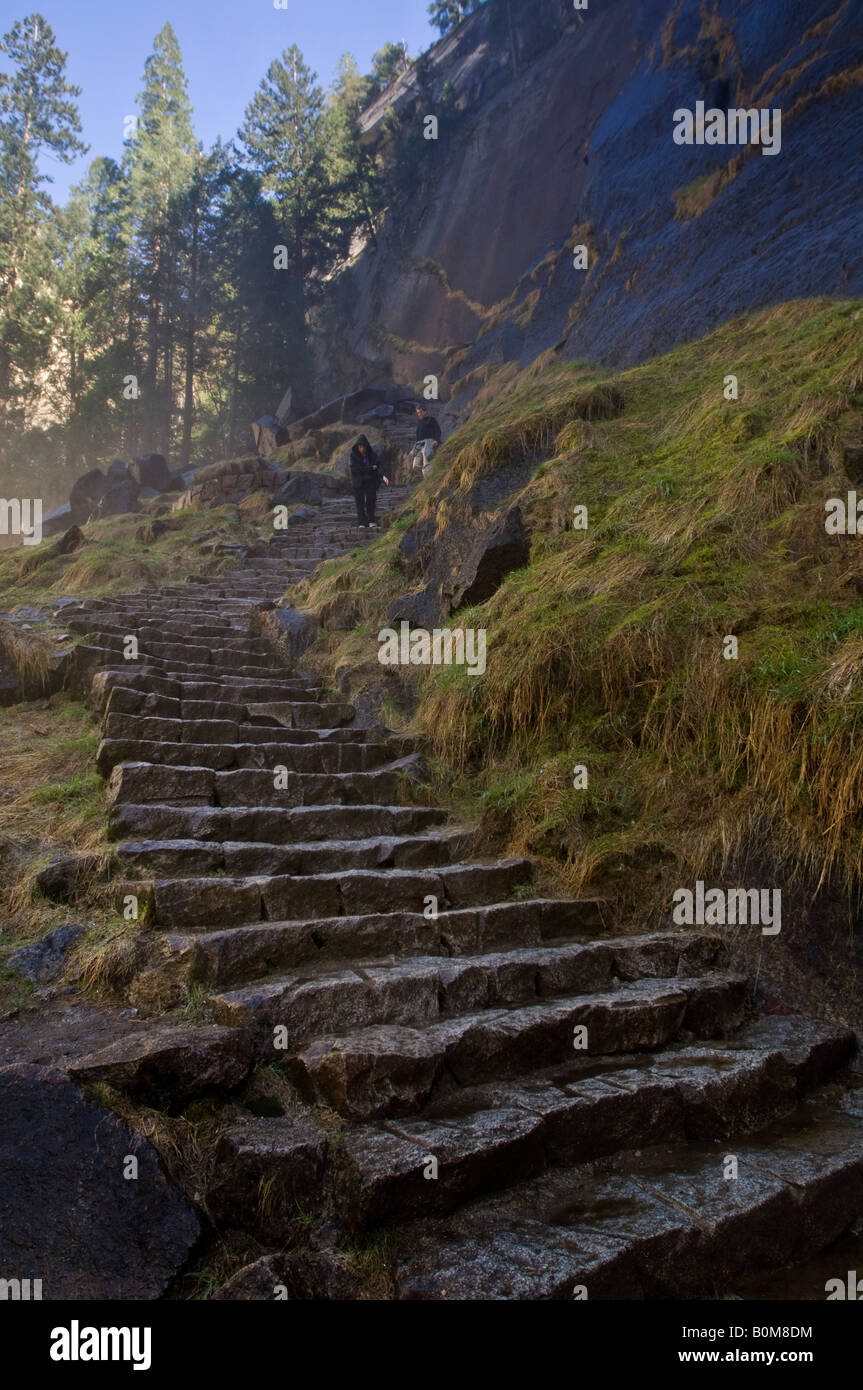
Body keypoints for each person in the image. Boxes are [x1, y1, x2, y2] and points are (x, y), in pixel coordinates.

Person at [349, 434, 388, 528]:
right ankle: (362, 522)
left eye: (364, 446)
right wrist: (370, 468)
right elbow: (355, 469)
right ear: (357, 447)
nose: (362, 449)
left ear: (367, 446)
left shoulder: (372, 455)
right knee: (360, 502)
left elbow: (378, 466)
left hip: (370, 481)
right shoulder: (353, 456)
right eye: (360, 447)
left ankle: (371, 520)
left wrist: (383, 476)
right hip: (358, 482)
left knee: (371, 500)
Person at [408, 404, 442, 479]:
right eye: (418, 413)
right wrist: (415, 448)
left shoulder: (432, 420)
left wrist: (436, 440)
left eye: (420, 412)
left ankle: (429, 479)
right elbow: (418, 435)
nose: (419, 414)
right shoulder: (420, 422)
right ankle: (426, 477)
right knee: (415, 466)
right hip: (420, 445)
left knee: (426, 465)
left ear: (425, 411)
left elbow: (438, 431)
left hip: (429, 444)